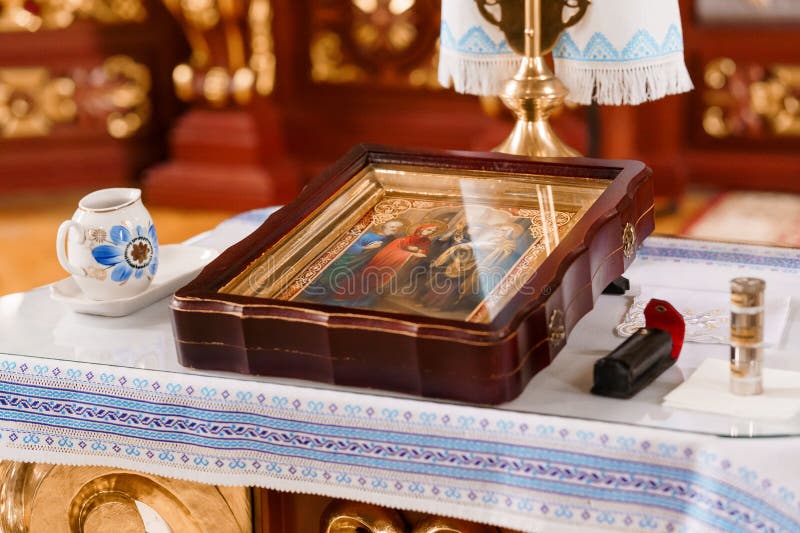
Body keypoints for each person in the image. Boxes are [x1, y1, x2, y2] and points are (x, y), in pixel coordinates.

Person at [300, 219, 405, 302]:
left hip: (362, 264)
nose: (395, 228)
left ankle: (322, 299)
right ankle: (309, 296)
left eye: (397, 227)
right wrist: (366, 248)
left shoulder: (391, 240)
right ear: (385, 225)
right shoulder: (369, 236)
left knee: (342, 281)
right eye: (393, 226)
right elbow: (350, 247)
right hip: (349, 260)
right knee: (330, 277)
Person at [349, 221, 446, 306]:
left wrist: (415, 252)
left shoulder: (426, 242)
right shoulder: (402, 239)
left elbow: (423, 254)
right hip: (392, 263)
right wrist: (410, 253)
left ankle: (377, 298)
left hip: (407, 266)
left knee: (393, 282)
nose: (432, 232)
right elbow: (391, 251)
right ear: (421, 230)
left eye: (433, 232)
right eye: (429, 230)